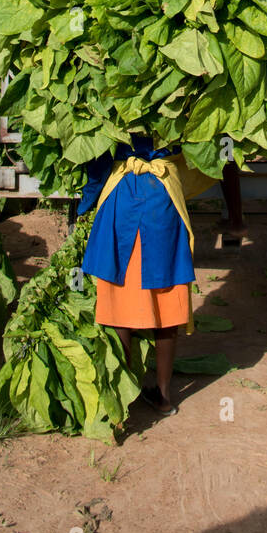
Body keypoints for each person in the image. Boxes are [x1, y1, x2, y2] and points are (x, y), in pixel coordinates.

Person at [77, 133, 210, 416]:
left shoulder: (111, 100)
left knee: (120, 300)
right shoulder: (185, 95)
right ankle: (163, 394)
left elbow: (98, 157)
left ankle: (124, 397)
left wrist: (86, 200)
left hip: (123, 195)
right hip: (163, 194)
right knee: (166, 296)